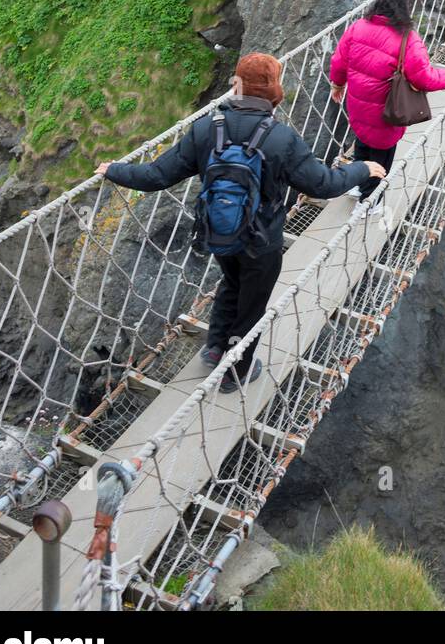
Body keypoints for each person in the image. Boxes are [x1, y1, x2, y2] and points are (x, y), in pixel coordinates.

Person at [96, 53, 381, 392]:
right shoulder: (281, 139)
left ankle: (216, 348)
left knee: (230, 283)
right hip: (262, 242)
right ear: (275, 90)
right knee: (252, 305)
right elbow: (323, 184)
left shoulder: (206, 128)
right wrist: (362, 168)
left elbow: (157, 175)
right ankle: (236, 372)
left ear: (237, 85)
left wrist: (114, 170)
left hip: (219, 231)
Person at [329, 0, 445, 207]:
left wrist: (337, 85)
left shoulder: (358, 27)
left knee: (363, 141)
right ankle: (368, 202)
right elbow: (423, 78)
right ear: (406, 6)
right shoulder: (408, 39)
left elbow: (339, 61)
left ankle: (358, 184)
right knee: (380, 155)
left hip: (357, 104)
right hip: (387, 112)